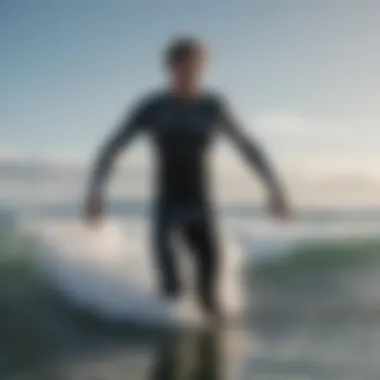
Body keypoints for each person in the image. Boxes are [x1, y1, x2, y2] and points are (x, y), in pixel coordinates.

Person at [84, 36, 290, 321]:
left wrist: (274, 188)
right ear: (170, 67)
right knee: (171, 293)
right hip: (166, 208)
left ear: (204, 67)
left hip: (202, 208)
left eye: (197, 66)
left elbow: (247, 146)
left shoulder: (213, 106)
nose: (191, 73)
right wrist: (96, 192)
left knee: (211, 299)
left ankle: (212, 354)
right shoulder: (152, 107)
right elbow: (112, 148)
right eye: (184, 66)